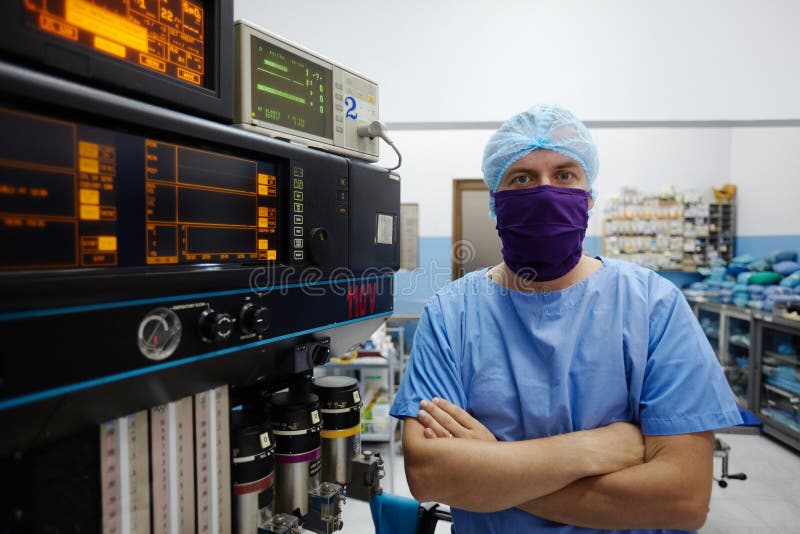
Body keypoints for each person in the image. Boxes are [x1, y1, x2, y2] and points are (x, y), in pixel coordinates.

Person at [389, 104, 742, 534]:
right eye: (522, 178)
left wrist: (496, 466)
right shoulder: (451, 314)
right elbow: (430, 476)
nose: (545, 191)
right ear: (496, 204)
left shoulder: (654, 306)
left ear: (589, 197)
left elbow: (682, 500)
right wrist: (597, 448)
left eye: (564, 175)